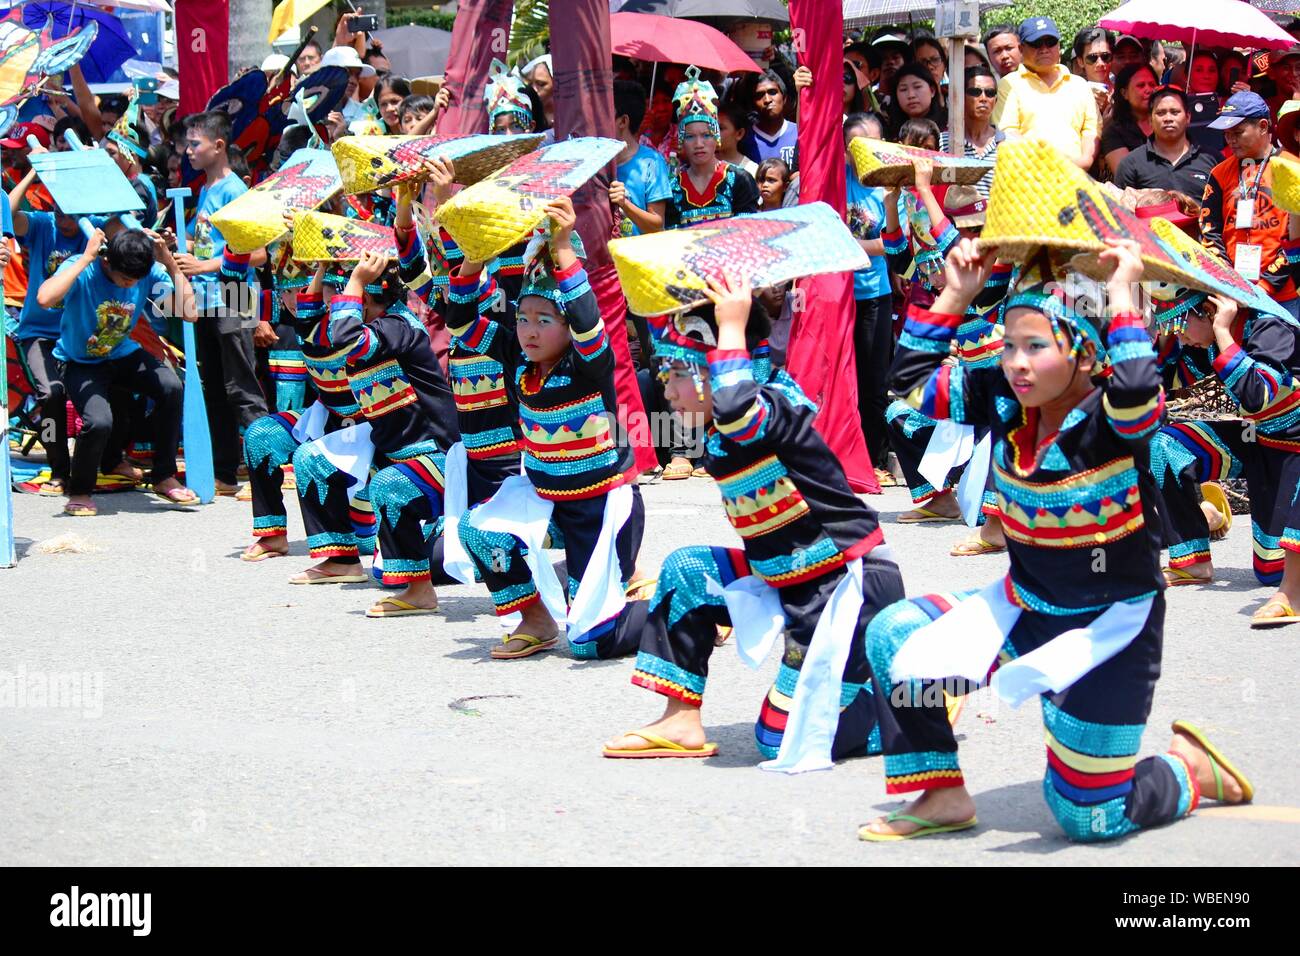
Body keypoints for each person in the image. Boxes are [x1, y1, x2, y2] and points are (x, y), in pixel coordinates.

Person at [860, 237, 1253, 842]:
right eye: (1011, 344)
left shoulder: (1110, 421)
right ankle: (940, 793)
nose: (1016, 362)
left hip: (1111, 632)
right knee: (896, 633)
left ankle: (1190, 770)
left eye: (1036, 347)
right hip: (1025, 611)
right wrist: (955, 294)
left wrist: (1121, 294)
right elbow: (909, 379)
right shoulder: (1004, 398)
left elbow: (1141, 401)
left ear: (1087, 355)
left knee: (1090, 817)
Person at [602, 274, 905, 761]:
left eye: (679, 374)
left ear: (717, 366)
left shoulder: (770, 406)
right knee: (687, 570)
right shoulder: (721, 428)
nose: (668, 391)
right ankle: (680, 721)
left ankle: (908, 706)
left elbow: (737, 404)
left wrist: (731, 324)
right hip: (784, 581)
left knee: (779, 740)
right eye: (665, 376)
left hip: (845, 593)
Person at [456, 197, 648, 660]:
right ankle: (534, 620)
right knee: (479, 529)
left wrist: (562, 247)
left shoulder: (589, 364)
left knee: (589, 642)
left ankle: (677, 609)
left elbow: (587, 321)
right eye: (523, 319)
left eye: (544, 321)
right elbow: (461, 321)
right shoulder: (518, 361)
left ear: (567, 329)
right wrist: (473, 258)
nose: (529, 331)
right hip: (545, 498)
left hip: (599, 508)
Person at [1147, 278, 1300, 627]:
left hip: (1294, 451)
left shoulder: (1270, 326)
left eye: (1180, 323)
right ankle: (1193, 561)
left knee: (1271, 570)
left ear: (1211, 311)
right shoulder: (1209, 343)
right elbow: (1159, 383)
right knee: (1164, 445)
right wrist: (1167, 345)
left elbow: (1256, 395)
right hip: (1259, 443)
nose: (1181, 335)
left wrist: (1222, 332)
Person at [40, 228, 198, 516]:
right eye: (125, 279)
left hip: (122, 353)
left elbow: (190, 312)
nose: (130, 286)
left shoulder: (145, 271)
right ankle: (80, 491)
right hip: (79, 361)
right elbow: (45, 298)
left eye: (135, 281)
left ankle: (164, 475)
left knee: (171, 386)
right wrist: (85, 257)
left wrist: (169, 262)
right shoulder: (85, 266)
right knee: (99, 422)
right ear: (106, 262)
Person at [177, 110, 269, 496]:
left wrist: (203, 265)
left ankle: (265, 472)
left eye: (195, 144)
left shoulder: (235, 191)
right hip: (207, 300)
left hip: (234, 297)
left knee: (242, 387)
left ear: (218, 146)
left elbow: (260, 253)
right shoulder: (204, 190)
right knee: (214, 387)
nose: (187, 151)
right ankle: (226, 474)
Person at [8, 169, 98, 496]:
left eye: (71, 213)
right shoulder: (44, 225)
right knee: (51, 395)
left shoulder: (93, 231)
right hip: (38, 331)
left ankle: (107, 461)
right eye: (59, 211)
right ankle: (58, 467)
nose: (64, 220)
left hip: (79, 331)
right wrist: (35, 171)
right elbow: (8, 209)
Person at [1201, 91, 1299, 316]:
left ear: (1263, 126)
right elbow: (1209, 231)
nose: (1231, 140)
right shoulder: (1218, 173)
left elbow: (1295, 238)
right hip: (1233, 295)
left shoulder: (1291, 168)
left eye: (1238, 133)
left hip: (1283, 296)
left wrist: (1266, 285)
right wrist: (1228, 281)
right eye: (1227, 134)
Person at [843, 112, 895, 491]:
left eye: (871, 144)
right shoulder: (835, 179)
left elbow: (895, 242)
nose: (862, 153)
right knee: (843, 382)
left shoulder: (889, 188)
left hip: (875, 296)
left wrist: (850, 247)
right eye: (855, 145)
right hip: (838, 296)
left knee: (874, 384)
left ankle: (876, 460)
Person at [997, 16, 1100, 171]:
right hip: (1030, 180)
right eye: (1036, 43)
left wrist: (1084, 162)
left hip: (1077, 178)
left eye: (1050, 42)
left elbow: (1092, 130)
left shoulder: (1079, 85)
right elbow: (1008, 134)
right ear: (1021, 48)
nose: (1044, 49)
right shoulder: (1008, 85)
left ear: (1059, 46)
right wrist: (1048, 165)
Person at [664, 68, 760, 230]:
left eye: (706, 135)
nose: (698, 144)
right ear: (681, 141)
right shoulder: (673, 187)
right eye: (690, 136)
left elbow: (748, 233)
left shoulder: (739, 180)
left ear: (716, 137)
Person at [1114, 86, 1217, 206]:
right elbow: (1121, 213)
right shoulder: (1130, 164)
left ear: (1188, 117)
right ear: (1150, 120)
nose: (1168, 118)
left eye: (1175, 112)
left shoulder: (1212, 159)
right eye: (1160, 113)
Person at [609, 80, 672, 238]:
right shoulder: (593, 162)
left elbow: (657, 225)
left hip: (635, 260)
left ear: (623, 121)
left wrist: (625, 203)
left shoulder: (652, 162)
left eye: (605, 115)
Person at [938, 65, 1002, 199]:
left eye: (990, 93)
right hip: (953, 219)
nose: (983, 98)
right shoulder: (943, 142)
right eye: (975, 92)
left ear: (995, 100)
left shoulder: (1006, 144)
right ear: (960, 97)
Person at [1100, 63, 1159, 178]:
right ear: (1124, 93)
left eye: (1152, 84)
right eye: (1141, 85)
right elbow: (1126, 175)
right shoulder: (1114, 132)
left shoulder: (1169, 124)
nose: (1148, 90)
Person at [740, 70, 798, 170]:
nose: (767, 100)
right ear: (752, 103)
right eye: (760, 95)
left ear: (784, 98)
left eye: (773, 92)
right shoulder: (744, 139)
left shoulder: (799, 133)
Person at [886, 63, 946, 141]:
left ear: (932, 91)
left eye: (917, 87)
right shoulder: (889, 129)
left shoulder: (950, 125)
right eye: (903, 89)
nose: (911, 95)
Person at [1071, 27, 1115, 118]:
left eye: (1105, 56)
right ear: (1080, 61)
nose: (1100, 63)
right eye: (1092, 58)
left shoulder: (1126, 92)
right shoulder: (1073, 96)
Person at [717, 102, 758, 177]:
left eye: (721, 128)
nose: (715, 132)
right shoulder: (703, 164)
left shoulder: (752, 170)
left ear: (739, 134)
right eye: (713, 127)